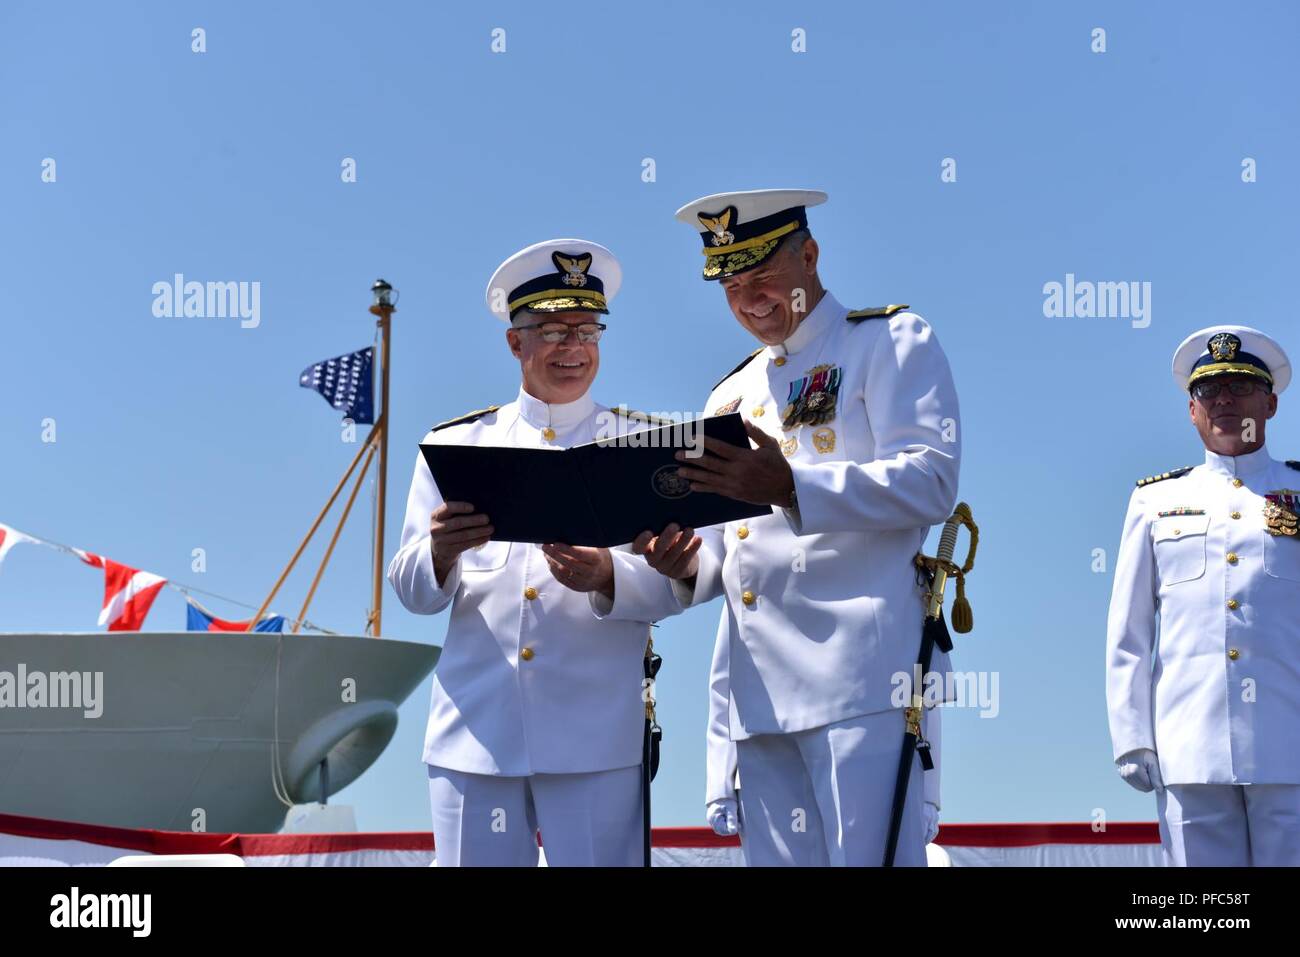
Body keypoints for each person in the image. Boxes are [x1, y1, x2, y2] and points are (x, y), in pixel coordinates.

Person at [613, 188, 960, 865]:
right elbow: (720, 559)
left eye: (763, 276)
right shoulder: (730, 394)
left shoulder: (888, 341)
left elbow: (932, 479)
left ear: (810, 255)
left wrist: (793, 485)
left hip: (861, 681)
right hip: (761, 698)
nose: (749, 299)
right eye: (731, 285)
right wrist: (678, 559)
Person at [386, 239, 680, 866]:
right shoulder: (458, 445)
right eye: (551, 330)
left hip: (596, 740)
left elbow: (687, 578)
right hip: (474, 737)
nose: (573, 347)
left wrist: (610, 576)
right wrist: (439, 552)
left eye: (587, 329)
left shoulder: (641, 445)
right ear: (514, 343)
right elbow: (409, 590)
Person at [1106, 325, 1300, 867]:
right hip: (1188, 743)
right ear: (1192, 411)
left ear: (1270, 403)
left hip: (1292, 744)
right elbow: (1129, 631)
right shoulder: (1155, 500)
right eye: (1208, 391)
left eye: (1238, 386)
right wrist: (1132, 736)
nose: (1222, 400)